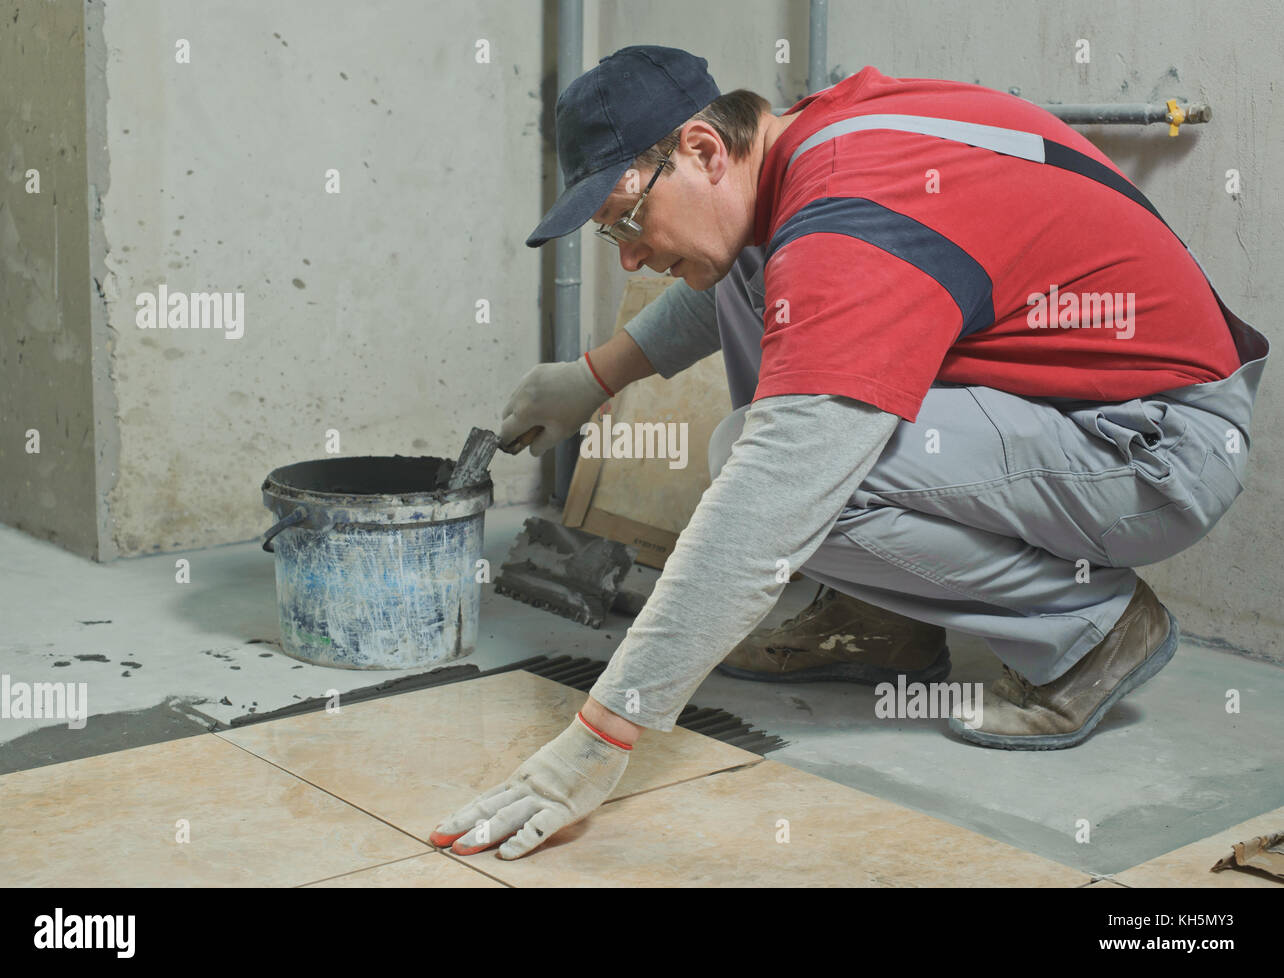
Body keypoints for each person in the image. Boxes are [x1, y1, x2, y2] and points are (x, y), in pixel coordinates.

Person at [429, 46, 1269, 860]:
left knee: (777, 470)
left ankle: (1091, 628)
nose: (633, 254)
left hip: (1157, 447)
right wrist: (592, 377)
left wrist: (601, 737)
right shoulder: (811, 145)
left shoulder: (852, 214)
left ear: (704, 149)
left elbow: (773, 499)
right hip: (1092, 409)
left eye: (627, 219)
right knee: (741, 278)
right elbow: (739, 281)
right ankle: (887, 621)